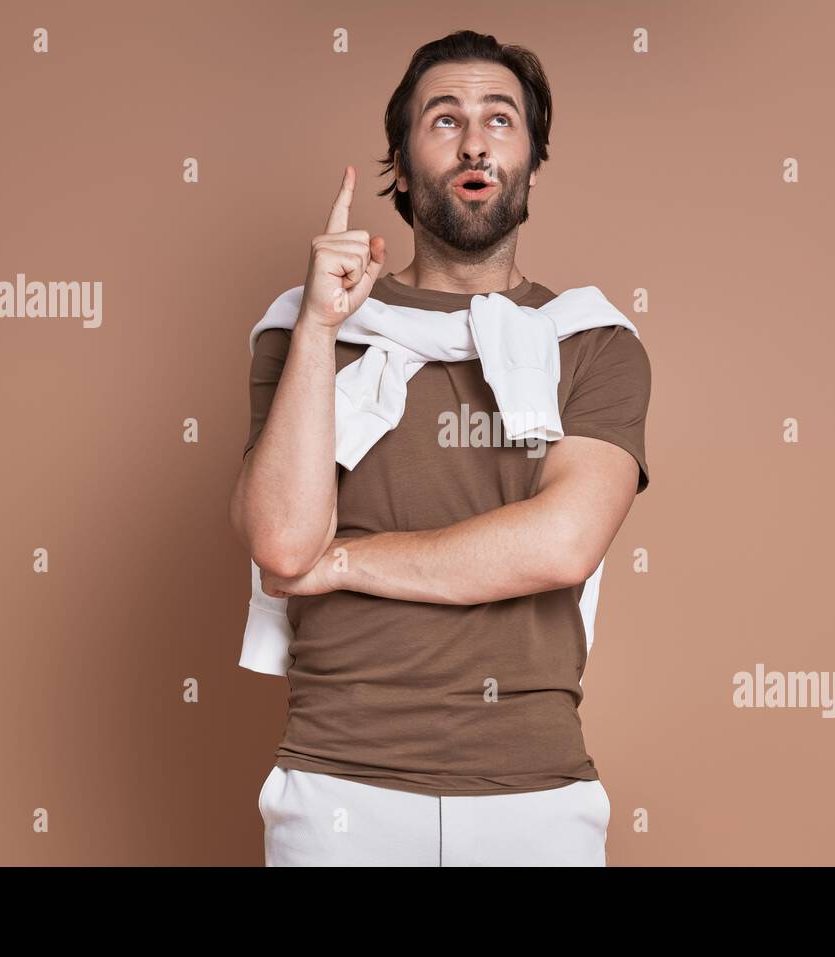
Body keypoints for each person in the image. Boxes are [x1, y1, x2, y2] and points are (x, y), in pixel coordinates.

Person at [228, 29, 651, 866]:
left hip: (533, 797)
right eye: (443, 119)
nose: (474, 140)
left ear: (531, 160)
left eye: (501, 120)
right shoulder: (303, 329)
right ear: (401, 156)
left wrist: (343, 562)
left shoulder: (593, 342)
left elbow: (561, 543)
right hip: (337, 789)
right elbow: (281, 541)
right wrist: (319, 325)